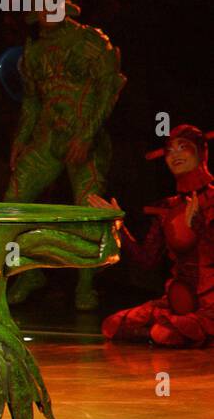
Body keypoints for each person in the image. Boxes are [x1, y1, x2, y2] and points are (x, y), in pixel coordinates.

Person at [5, 0, 125, 310]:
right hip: (47, 136)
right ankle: (27, 272)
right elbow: (31, 100)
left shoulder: (89, 41)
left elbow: (109, 87)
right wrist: (21, 139)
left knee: (88, 208)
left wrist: (87, 135)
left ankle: (85, 285)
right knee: (13, 202)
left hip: (83, 134)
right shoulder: (35, 51)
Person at [89, 125, 214, 347]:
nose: (174, 154)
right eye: (169, 150)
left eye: (183, 147)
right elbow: (146, 260)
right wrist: (118, 226)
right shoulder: (168, 207)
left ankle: (179, 331)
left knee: (162, 334)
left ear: (202, 153)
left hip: (210, 303)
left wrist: (200, 227)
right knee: (112, 325)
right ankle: (175, 329)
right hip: (178, 303)